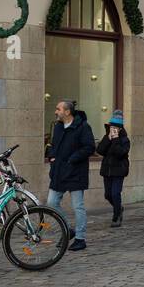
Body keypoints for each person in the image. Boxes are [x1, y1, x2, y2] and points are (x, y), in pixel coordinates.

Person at [47, 100, 94, 251]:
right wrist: (52, 157)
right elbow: (54, 146)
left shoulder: (83, 127)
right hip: (59, 172)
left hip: (75, 172)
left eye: (58, 109)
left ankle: (80, 238)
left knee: (77, 206)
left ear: (67, 112)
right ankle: (68, 230)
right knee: (51, 202)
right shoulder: (58, 127)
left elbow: (89, 147)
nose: (56, 112)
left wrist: (72, 159)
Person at [96, 110, 131, 228]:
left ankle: (116, 216)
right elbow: (100, 150)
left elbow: (121, 153)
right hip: (107, 170)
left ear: (120, 129)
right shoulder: (107, 137)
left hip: (119, 170)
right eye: (112, 127)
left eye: (115, 127)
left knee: (116, 193)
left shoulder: (125, 140)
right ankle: (119, 207)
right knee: (108, 195)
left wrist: (115, 139)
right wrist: (108, 139)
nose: (113, 129)